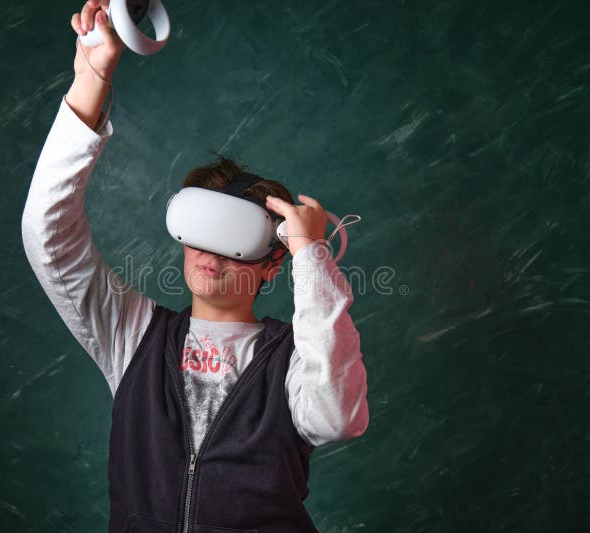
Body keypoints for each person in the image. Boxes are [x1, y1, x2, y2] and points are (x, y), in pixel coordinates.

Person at [21, 1, 369, 531]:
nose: (211, 253)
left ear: (272, 265)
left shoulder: (299, 358)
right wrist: (91, 76)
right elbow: (46, 237)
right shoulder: (132, 335)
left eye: (234, 240)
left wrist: (312, 255)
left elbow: (338, 416)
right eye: (200, 233)